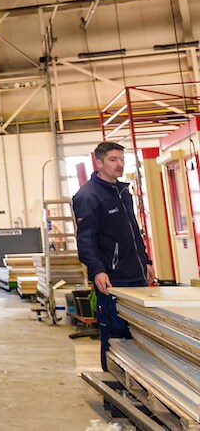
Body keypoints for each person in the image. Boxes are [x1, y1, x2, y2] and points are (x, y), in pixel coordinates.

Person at [74, 141, 155, 371]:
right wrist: (98, 270)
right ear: (98, 163)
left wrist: (146, 260)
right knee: (114, 334)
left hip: (136, 274)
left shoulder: (122, 191)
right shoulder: (88, 196)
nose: (119, 164)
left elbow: (133, 231)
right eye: (113, 160)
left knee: (138, 333)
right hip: (112, 278)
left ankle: (137, 383)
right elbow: (86, 240)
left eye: (121, 159)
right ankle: (115, 392)